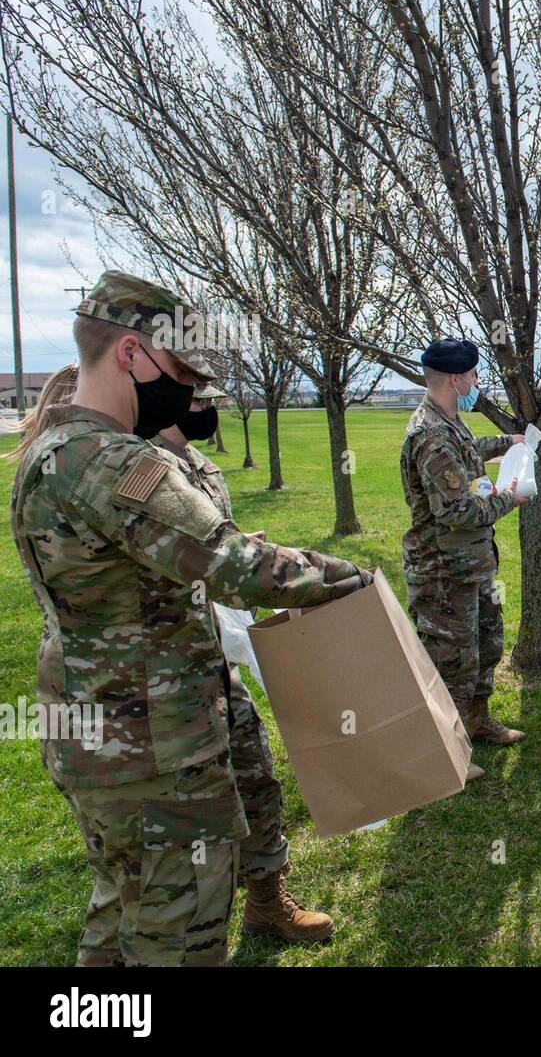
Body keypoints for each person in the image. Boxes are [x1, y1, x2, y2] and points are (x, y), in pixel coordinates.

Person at [9, 271, 372, 966]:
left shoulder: (55, 450)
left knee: (122, 914)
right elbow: (239, 568)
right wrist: (355, 578)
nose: (185, 388)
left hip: (103, 736)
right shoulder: (109, 459)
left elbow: (153, 568)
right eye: (179, 370)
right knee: (179, 938)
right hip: (152, 755)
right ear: (131, 354)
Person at [152, 383, 334, 941]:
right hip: (159, 676)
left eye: (213, 402)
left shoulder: (200, 466)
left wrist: (236, 555)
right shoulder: (140, 468)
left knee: (255, 774)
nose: (208, 410)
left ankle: (265, 901)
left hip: (211, 656)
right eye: (199, 400)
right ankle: (178, 924)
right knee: (179, 816)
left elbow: (219, 554)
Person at [400, 339, 529, 749]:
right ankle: (446, 748)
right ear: (455, 379)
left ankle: (477, 721)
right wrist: (511, 497)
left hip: (471, 565)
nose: (476, 383)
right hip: (444, 572)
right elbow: (459, 512)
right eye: (473, 376)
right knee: (452, 661)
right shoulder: (431, 436)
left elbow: (470, 453)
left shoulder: (450, 422)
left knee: (484, 647)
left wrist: (511, 442)